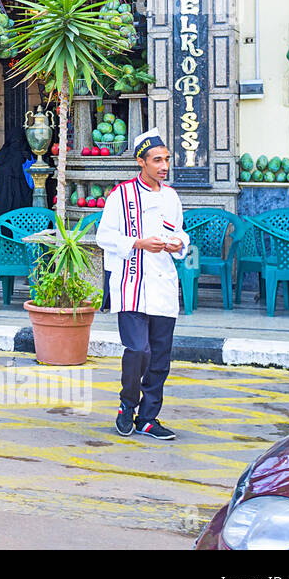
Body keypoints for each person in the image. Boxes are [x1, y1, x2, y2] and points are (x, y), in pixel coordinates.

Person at [96, 129, 189, 440]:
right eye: (157, 160)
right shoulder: (120, 196)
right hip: (131, 284)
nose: (164, 166)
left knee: (160, 356)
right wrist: (138, 243)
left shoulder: (172, 196)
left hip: (163, 284)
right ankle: (127, 405)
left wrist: (179, 244)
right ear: (141, 162)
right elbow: (104, 237)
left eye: (166, 160)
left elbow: (180, 232)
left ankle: (149, 418)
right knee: (138, 350)